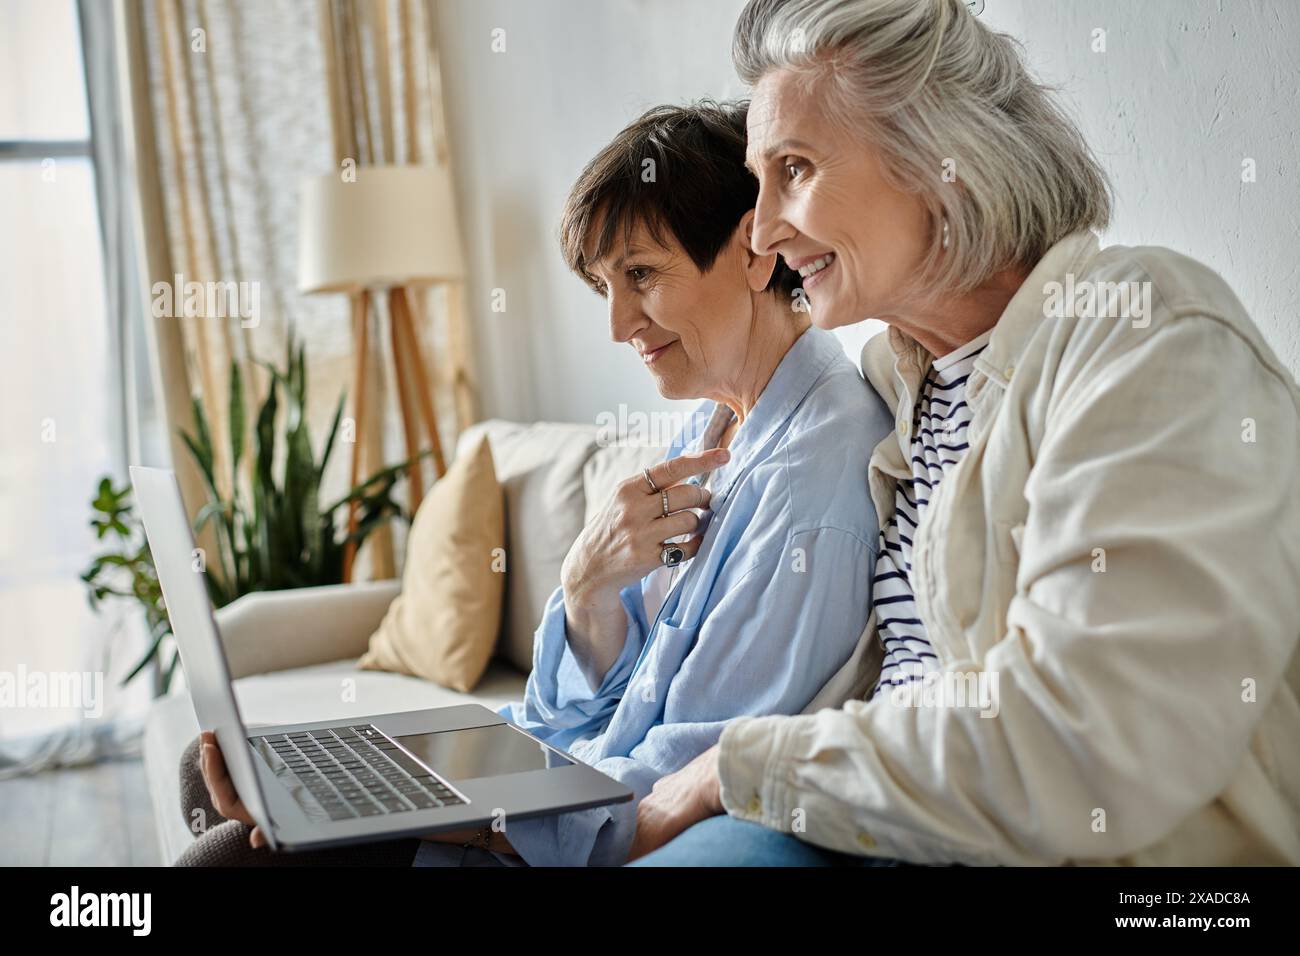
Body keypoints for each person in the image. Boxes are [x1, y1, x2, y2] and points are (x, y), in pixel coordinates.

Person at [631, 0, 1300, 867]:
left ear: (943, 161)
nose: (762, 229)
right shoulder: (895, 383)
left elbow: (1085, 746)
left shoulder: (1147, 334)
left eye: (794, 168)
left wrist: (733, 769)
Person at [180, 100, 894, 867]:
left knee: (224, 855)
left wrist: (453, 816)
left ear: (755, 252)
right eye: (605, 286)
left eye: (643, 276)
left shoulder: (812, 484)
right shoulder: (716, 425)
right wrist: (586, 590)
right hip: (556, 777)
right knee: (209, 769)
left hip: (564, 832)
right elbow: (564, 710)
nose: (619, 325)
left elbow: (680, 781)